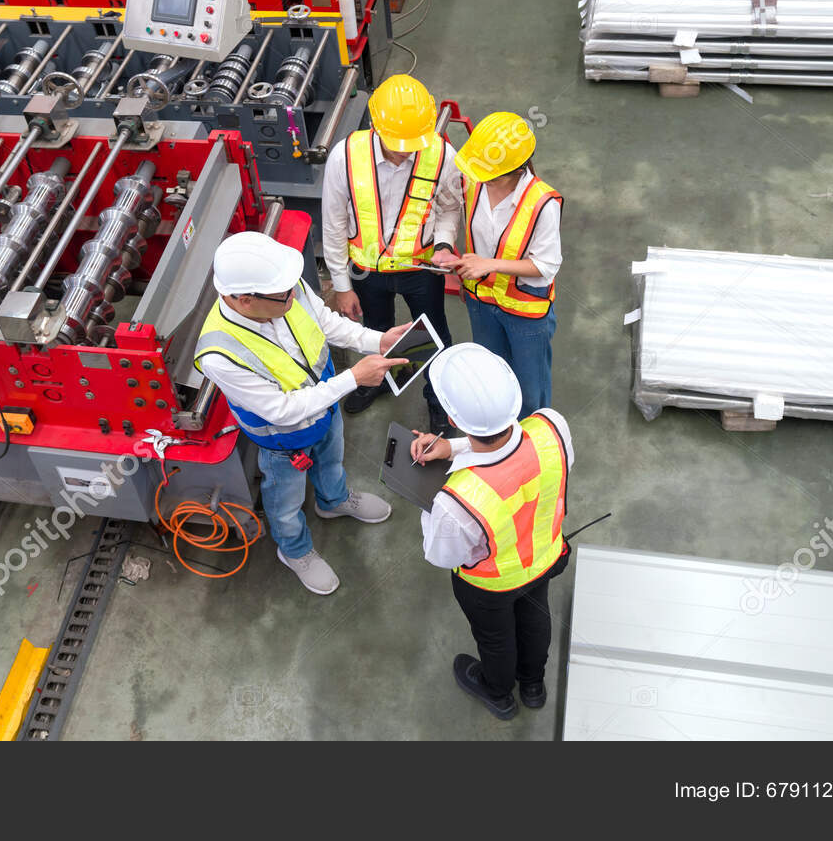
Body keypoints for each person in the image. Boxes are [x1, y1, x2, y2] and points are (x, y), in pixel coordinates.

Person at [194, 231, 411, 595]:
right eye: (284, 296)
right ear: (245, 300)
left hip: (325, 410)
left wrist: (377, 340)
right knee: (285, 501)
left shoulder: (284, 287)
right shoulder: (220, 354)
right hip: (284, 441)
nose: (294, 296)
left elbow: (325, 322)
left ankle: (334, 500)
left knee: (331, 460)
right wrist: (353, 379)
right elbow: (282, 410)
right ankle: (294, 551)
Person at [410, 343, 574, 720]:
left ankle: (498, 693)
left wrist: (433, 504)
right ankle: (532, 685)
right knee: (536, 617)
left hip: (491, 587)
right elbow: (509, 448)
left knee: (496, 640)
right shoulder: (553, 428)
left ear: (452, 415)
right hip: (546, 557)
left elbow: (441, 555)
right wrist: (452, 450)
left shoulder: (457, 501)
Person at [322, 73, 462, 435]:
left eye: (413, 142)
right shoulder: (345, 157)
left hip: (421, 268)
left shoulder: (441, 153)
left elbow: (449, 207)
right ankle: (378, 381)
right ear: (375, 125)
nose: (405, 150)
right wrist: (342, 285)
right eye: (397, 142)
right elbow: (334, 222)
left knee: (434, 336)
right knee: (378, 331)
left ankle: (438, 401)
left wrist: (444, 244)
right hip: (368, 273)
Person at [449, 112, 563, 418]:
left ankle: (531, 449)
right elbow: (449, 211)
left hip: (525, 315)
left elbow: (546, 267)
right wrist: (447, 248)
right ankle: (498, 437)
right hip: (482, 304)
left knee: (530, 391)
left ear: (510, 171)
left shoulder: (542, 204)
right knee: (491, 377)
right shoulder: (474, 183)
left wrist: (489, 265)